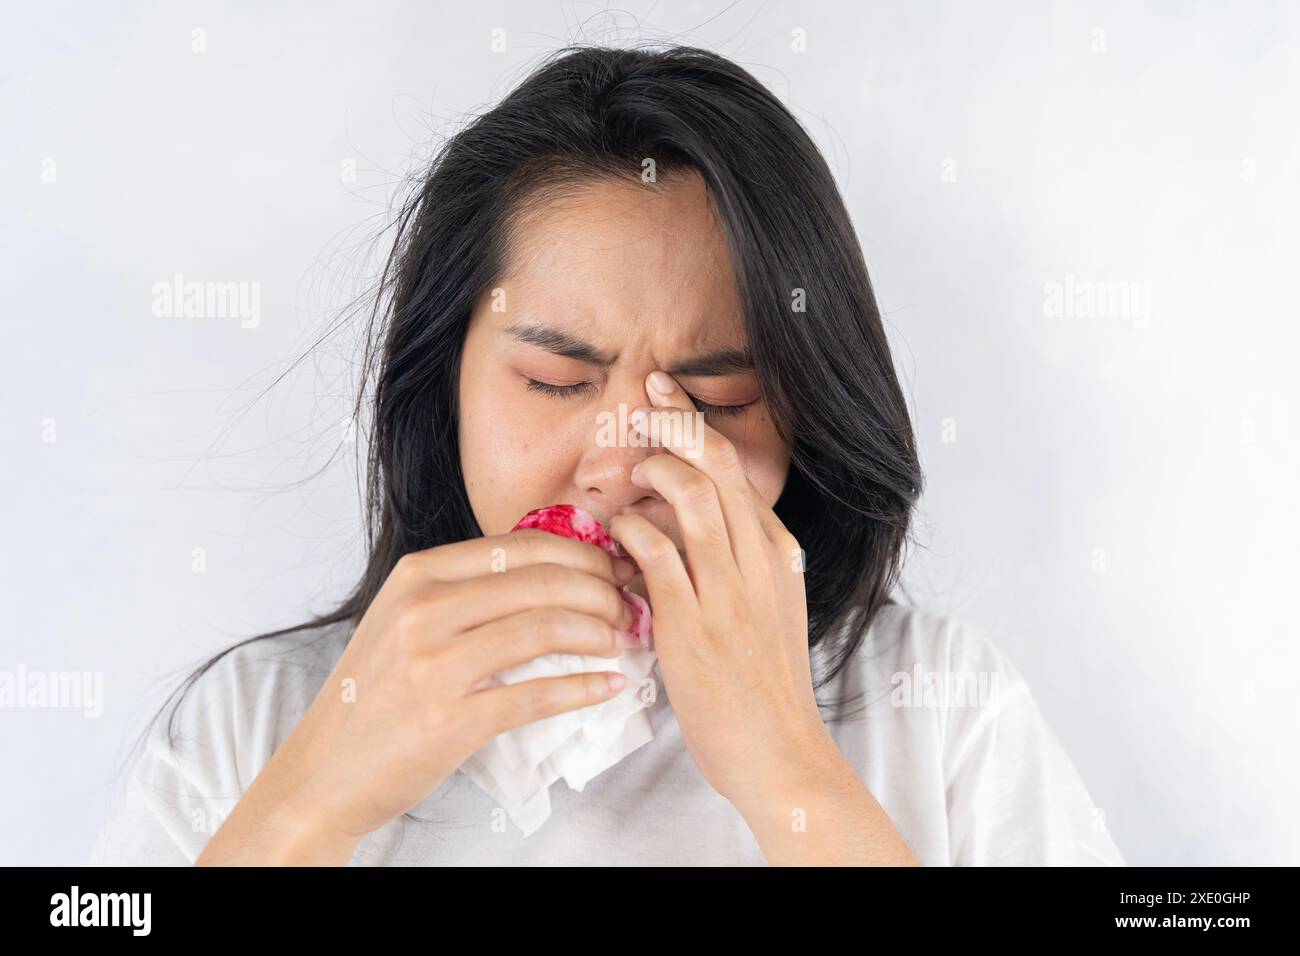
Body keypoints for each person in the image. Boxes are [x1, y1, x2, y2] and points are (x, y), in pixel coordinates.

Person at [90, 45, 1124, 867]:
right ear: (442, 381)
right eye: (555, 382)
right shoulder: (258, 720)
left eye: (716, 400)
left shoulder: (939, 706)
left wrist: (789, 769)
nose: (623, 465)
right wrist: (311, 803)